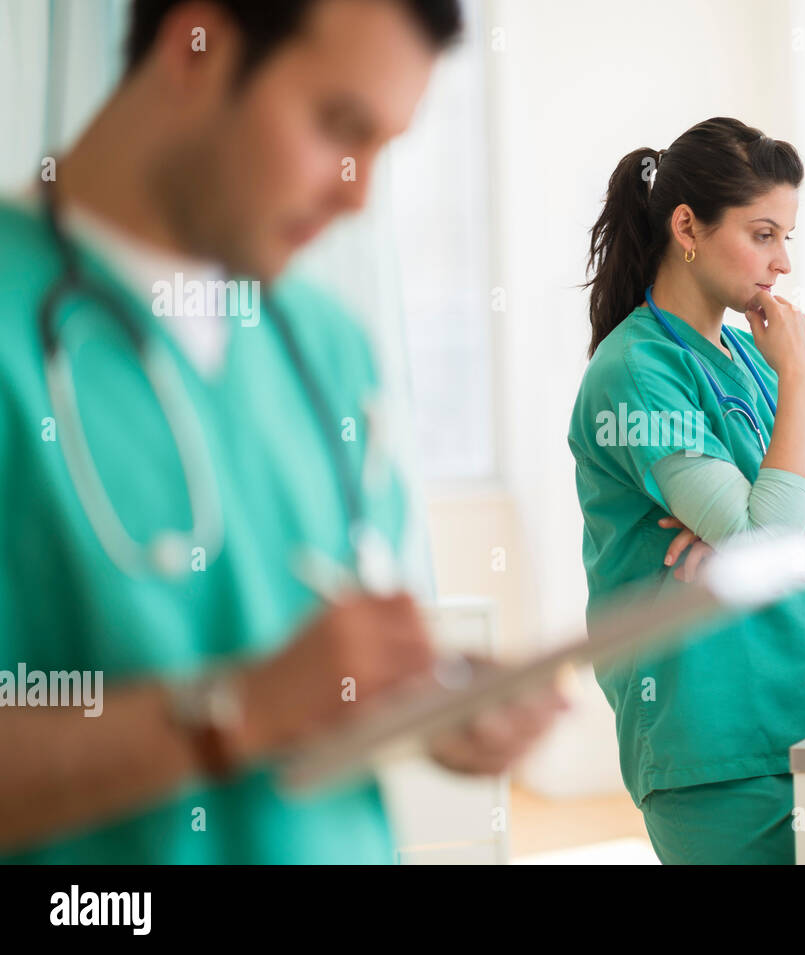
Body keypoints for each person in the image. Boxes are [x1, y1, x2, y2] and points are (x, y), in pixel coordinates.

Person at [0, 0, 564, 864]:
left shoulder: (324, 344)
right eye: (340, 125)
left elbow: (311, 656)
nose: (358, 193)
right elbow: (269, 693)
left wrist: (435, 705)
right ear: (198, 51)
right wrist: (240, 710)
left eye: (384, 147)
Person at [569, 117, 805, 865]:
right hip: (711, 742)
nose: (782, 264)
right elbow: (768, 539)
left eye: (788, 238)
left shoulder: (754, 356)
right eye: (763, 233)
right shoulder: (638, 372)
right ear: (688, 227)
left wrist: (774, 545)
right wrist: (802, 381)